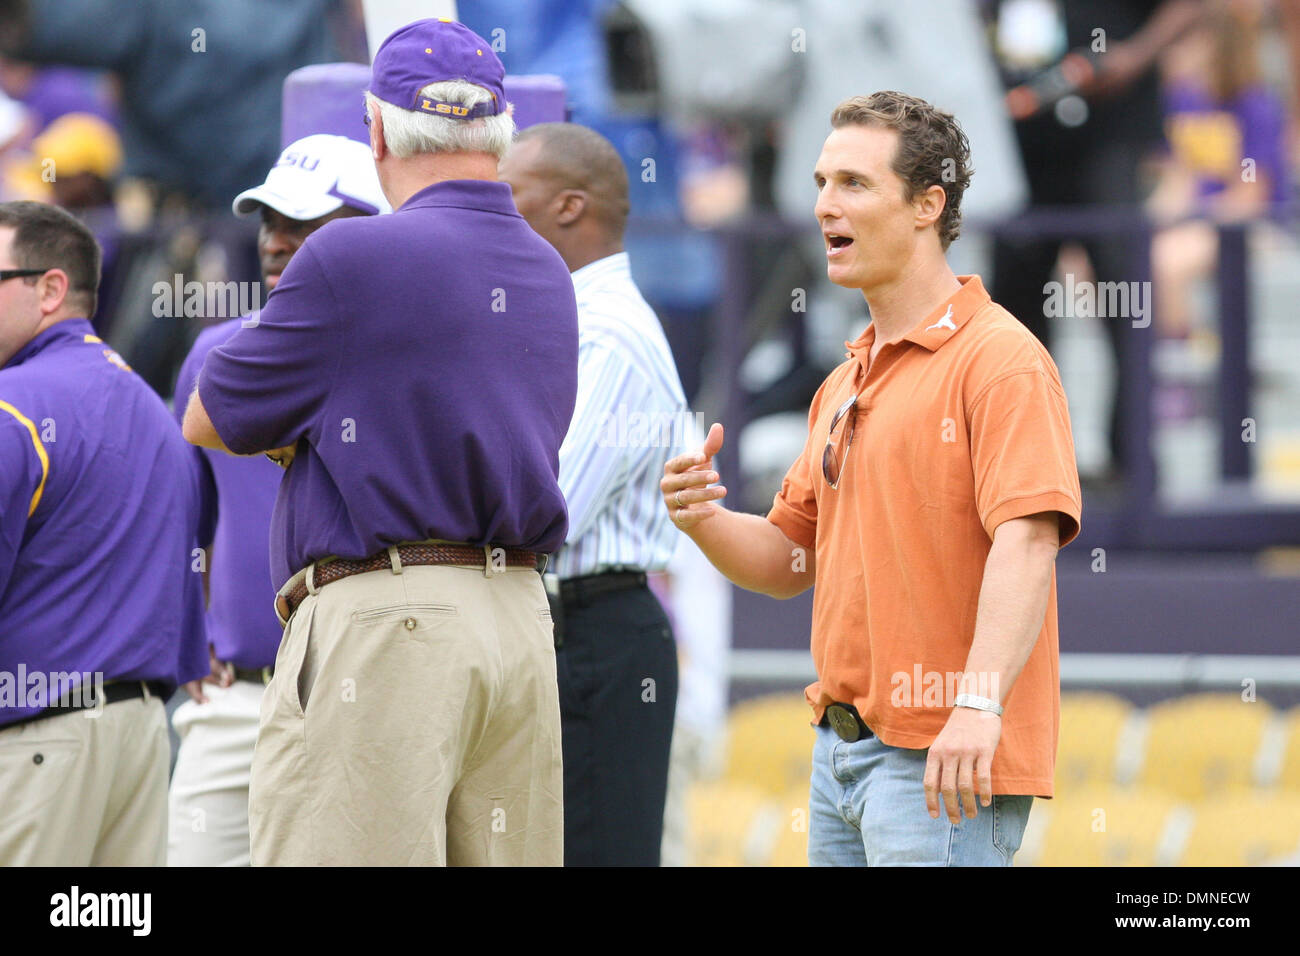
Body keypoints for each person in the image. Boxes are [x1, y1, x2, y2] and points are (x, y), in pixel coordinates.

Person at [181, 19, 578, 867]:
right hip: (518, 619)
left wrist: (313, 437)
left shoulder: (352, 254)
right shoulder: (548, 267)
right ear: (501, 131)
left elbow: (208, 415)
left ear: (377, 130)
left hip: (391, 617)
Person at [661, 91, 1083, 866]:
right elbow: (790, 561)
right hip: (841, 755)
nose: (824, 204)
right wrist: (703, 518)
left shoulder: (1003, 361)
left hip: (943, 761)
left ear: (929, 204)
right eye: (822, 182)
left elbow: (1026, 546)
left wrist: (978, 706)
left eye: (853, 183)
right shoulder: (844, 380)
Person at [167, 133, 389, 867]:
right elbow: (183, 509)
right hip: (235, 698)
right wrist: (182, 621)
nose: (274, 241)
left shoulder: (405, 354)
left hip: (359, 697)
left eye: (300, 224)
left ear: (367, 229)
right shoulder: (216, 354)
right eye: (268, 222)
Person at [498, 122, 687, 866]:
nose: (493, 212)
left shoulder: (608, 335)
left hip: (597, 638)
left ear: (570, 207)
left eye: (509, 195)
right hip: (561, 631)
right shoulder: (570, 322)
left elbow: (545, 509)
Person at [0, 200, 206, 865]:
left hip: (39, 743)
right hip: (140, 740)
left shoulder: (16, 406)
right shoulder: (157, 413)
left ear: (50, 289)